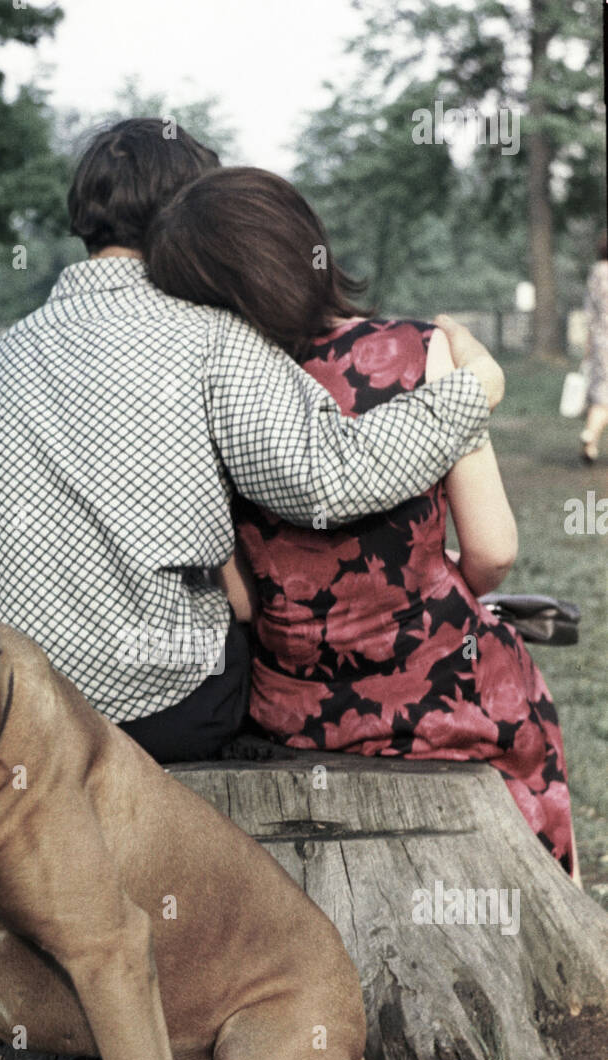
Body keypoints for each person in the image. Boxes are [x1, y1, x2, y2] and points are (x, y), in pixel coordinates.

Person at [0, 119, 501, 765]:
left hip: (15, 699)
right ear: (183, 213)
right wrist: (471, 391)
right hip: (159, 706)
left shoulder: (3, 354)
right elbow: (328, 479)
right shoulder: (208, 336)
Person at [147, 166, 575, 877]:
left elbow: (245, 603)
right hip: (442, 692)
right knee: (534, 721)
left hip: (291, 710)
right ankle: (567, 928)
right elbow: (494, 553)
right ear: (303, 245)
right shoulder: (420, 352)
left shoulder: (204, 399)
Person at [580, 232, 608, 464]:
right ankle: (590, 435)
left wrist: (588, 345)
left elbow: (590, 313)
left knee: (602, 390)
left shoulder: (597, 272)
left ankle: (590, 438)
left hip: (601, 341)